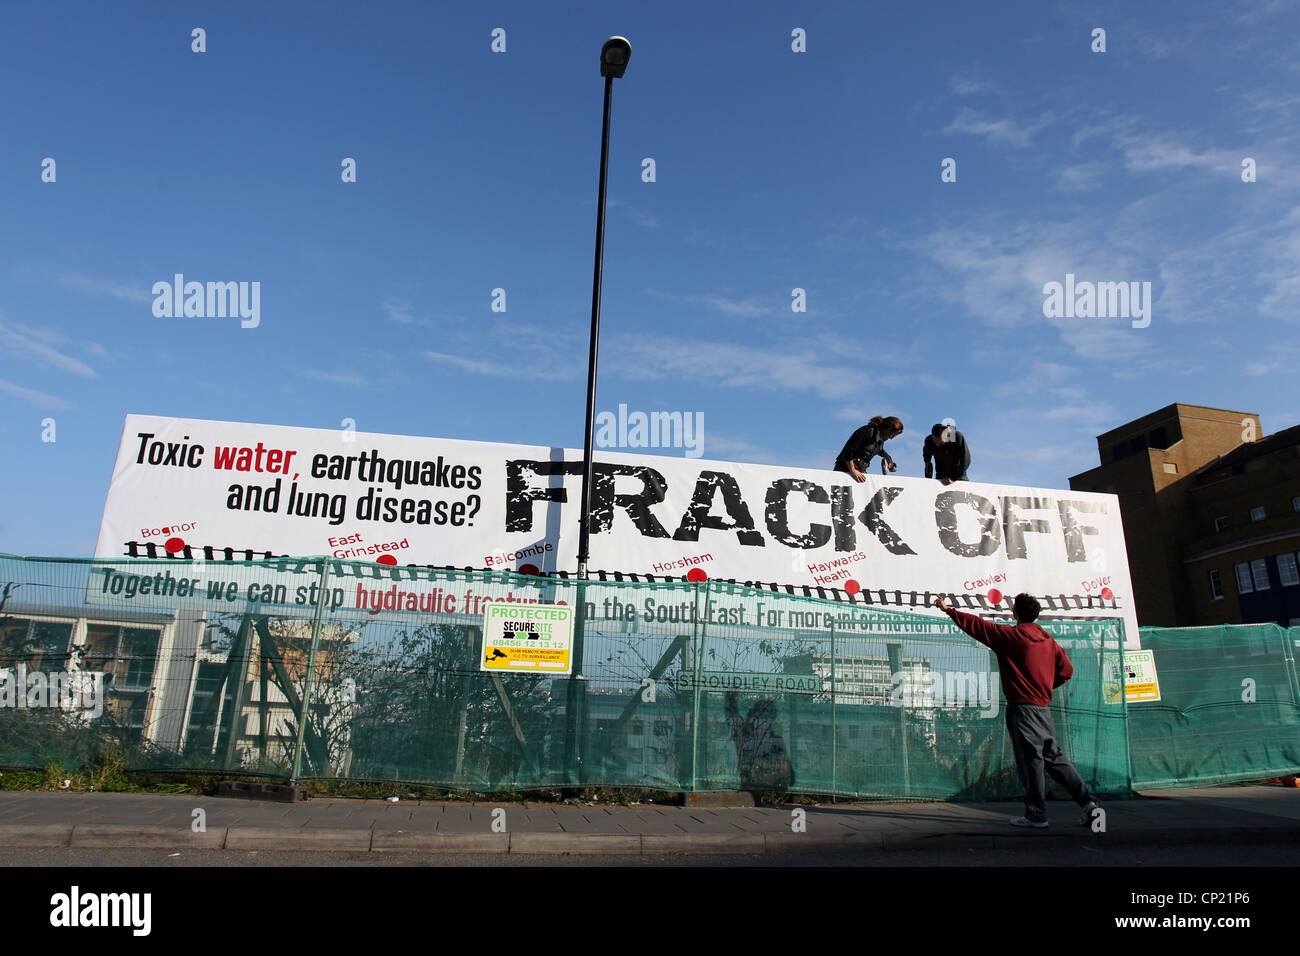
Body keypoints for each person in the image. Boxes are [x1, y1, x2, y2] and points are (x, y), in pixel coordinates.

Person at [933, 592, 1102, 829]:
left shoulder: (1012, 637)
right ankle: (1089, 805)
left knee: (1030, 760)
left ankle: (1036, 815)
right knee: (1054, 758)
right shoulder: (1048, 641)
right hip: (1043, 708)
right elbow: (1067, 671)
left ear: (1016, 613)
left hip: (1022, 709)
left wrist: (948, 610)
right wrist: (1044, 685)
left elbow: (978, 626)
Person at [834, 416, 903, 482]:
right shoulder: (867, 431)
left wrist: (888, 458)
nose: (892, 438)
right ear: (888, 429)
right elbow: (848, 451)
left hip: (860, 471)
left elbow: (878, 450)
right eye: (893, 434)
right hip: (844, 470)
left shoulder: (880, 440)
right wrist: (853, 470)